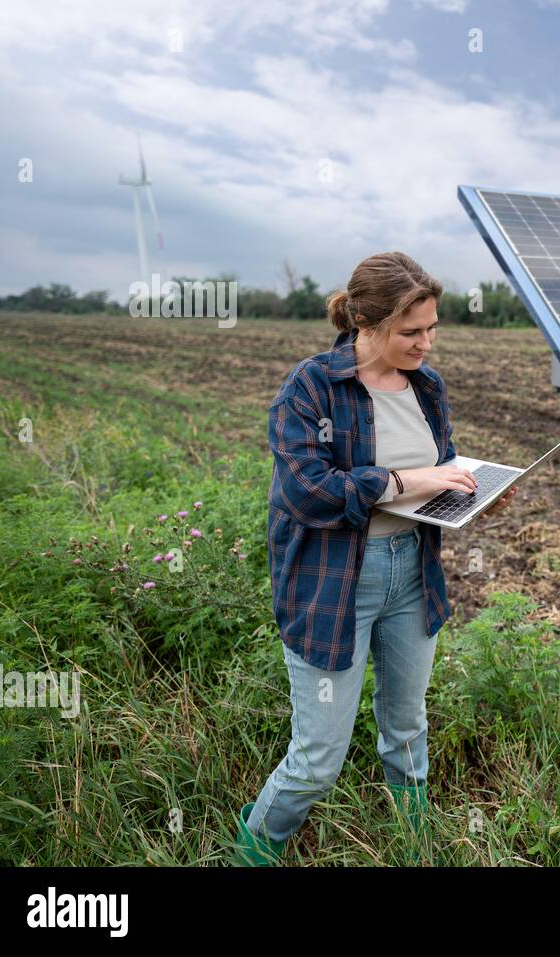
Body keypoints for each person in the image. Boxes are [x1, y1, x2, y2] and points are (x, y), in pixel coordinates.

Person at [233, 251, 516, 865]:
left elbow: (439, 468)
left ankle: (415, 845)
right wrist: (406, 480)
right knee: (317, 759)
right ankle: (253, 851)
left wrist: (472, 494)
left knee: (409, 730)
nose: (426, 342)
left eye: (432, 327)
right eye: (410, 331)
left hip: (412, 574)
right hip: (334, 583)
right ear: (366, 321)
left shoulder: (427, 386)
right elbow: (307, 491)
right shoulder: (311, 387)